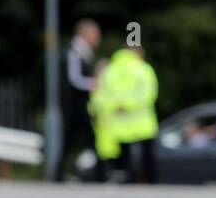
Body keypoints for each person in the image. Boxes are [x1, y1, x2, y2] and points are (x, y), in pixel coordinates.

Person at [96, 46, 159, 183]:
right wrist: (129, 105)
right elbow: (149, 93)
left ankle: (130, 181)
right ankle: (151, 181)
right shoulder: (143, 69)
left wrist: (117, 106)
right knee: (148, 153)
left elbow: (101, 95)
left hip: (120, 122)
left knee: (126, 155)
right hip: (143, 122)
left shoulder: (110, 70)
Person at [51, 19, 100, 182]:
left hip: (79, 102)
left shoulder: (83, 52)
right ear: (86, 34)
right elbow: (74, 79)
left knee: (72, 140)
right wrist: (92, 83)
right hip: (75, 103)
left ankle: (58, 173)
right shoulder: (75, 52)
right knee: (87, 138)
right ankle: (101, 173)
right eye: (95, 34)